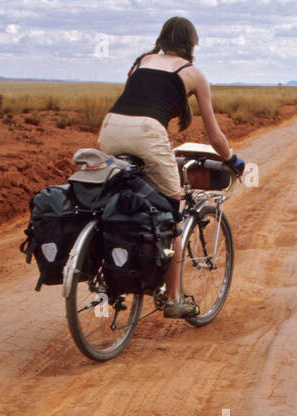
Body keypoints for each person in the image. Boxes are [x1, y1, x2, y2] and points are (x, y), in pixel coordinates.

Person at [98, 17, 245, 318]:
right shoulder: (194, 74)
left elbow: (142, 95)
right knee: (171, 213)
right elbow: (214, 136)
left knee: (122, 197)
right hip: (147, 134)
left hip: (110, 129)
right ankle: (175, 298)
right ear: (192, 44)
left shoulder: (141, 61)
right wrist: (232, 159)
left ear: (162, 39)